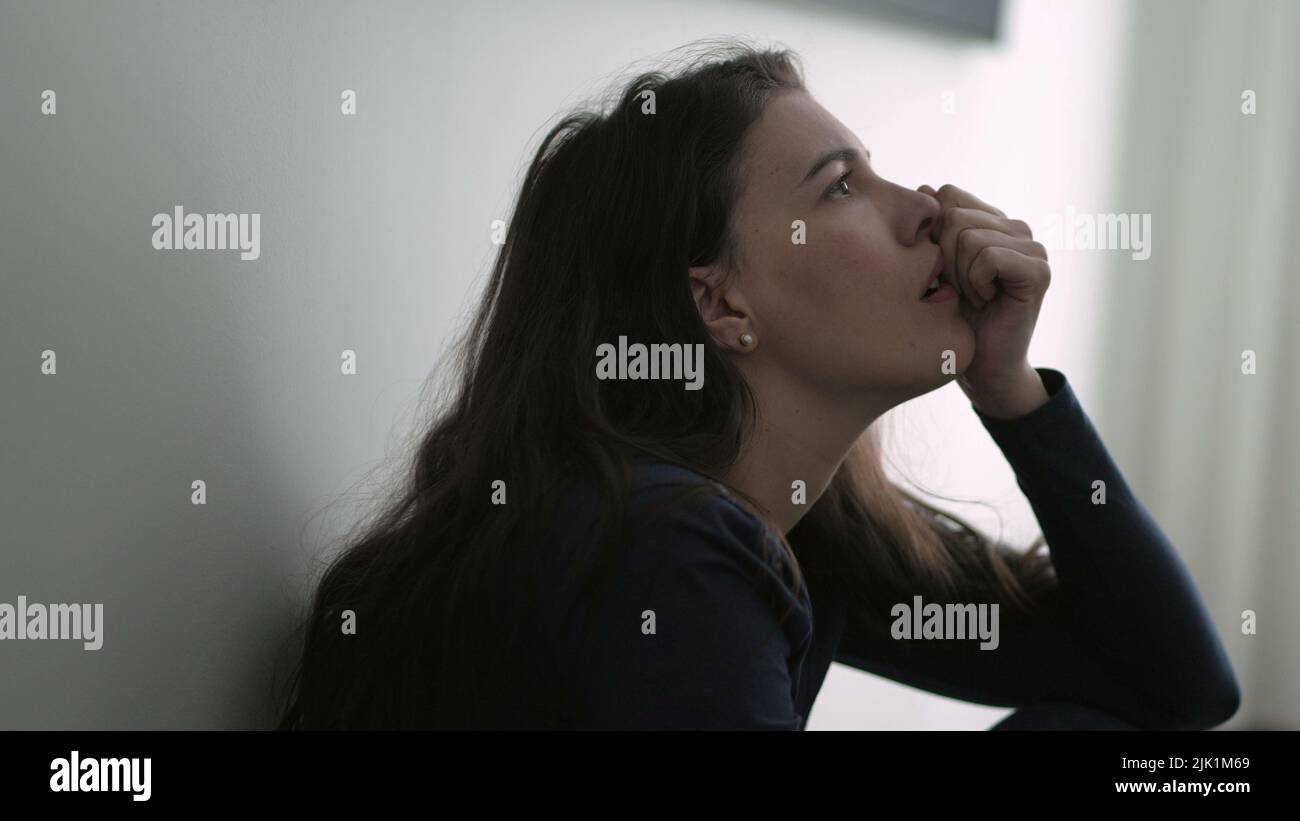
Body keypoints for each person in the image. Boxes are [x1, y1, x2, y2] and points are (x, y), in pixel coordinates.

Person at [275, 39, 1240, 730]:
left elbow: (1180, 694)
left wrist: (1008, 384)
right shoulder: (673, 549)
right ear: (722, 304)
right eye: (840, 186)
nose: (927, 208)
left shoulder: (793, 540)